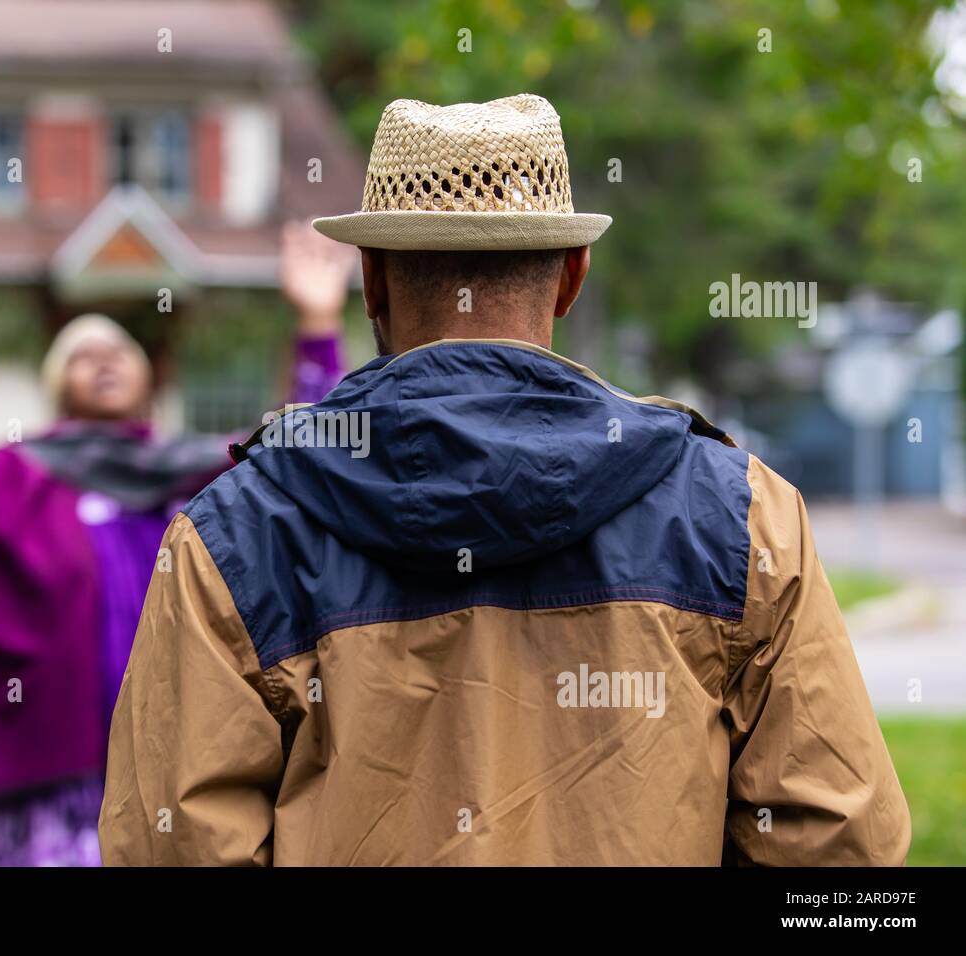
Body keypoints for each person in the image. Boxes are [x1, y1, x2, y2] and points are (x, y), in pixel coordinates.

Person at [98, 94, 911, 866]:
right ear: (572, 277)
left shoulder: (233, 535)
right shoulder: (741, 517)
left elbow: (172, 842)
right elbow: (839, 846)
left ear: (371, 279)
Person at [0, 221, 355, 866]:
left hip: (182, 776)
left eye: (117, 350)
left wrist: (320, 324)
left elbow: (306, 461)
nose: (102, 358)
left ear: (149, 383)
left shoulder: (198, 480)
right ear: (54, 391)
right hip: (39, 798)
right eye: (80, 353)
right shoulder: (1, 480)